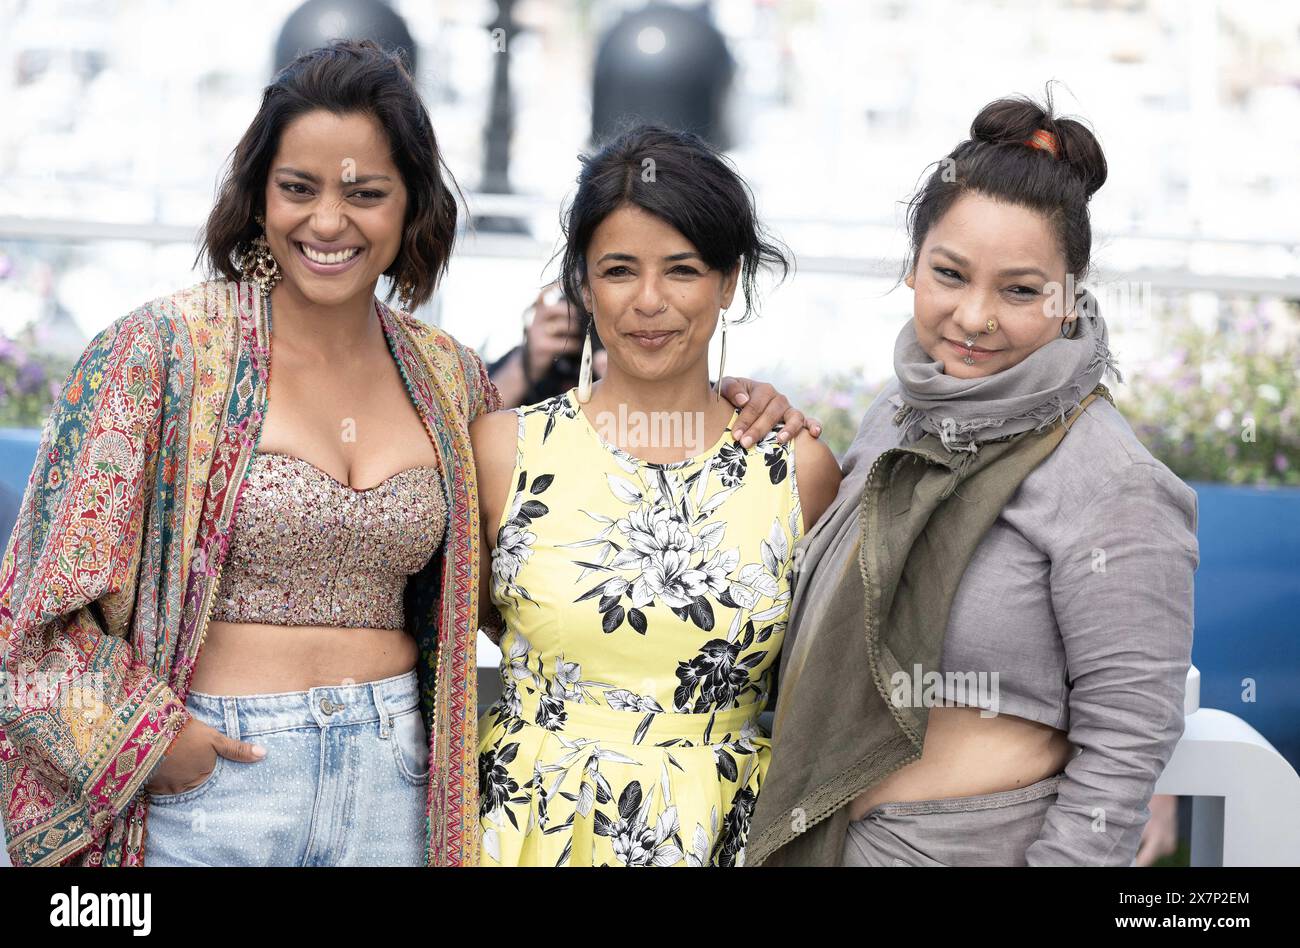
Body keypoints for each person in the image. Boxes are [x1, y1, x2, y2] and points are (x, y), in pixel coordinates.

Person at [0, 41, 805, 868]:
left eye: (366, 193)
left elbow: (558, 558)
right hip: (214, 786)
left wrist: (727, 409)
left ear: (410, 205)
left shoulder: (448, 379)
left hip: (396, 789)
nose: (327, 221)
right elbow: (29, 615)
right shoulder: (161, 357)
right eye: (297, 189)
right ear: (257, 197)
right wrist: (155, 743)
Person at [745, 94, 1198, 867]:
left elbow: (1127, 742)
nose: (975, 317)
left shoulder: (1113, 481)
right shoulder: (901, 413)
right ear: (913, 265)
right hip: (819, 841)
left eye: (1021, 291)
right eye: (949, 274)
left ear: (1068, 297)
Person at [470, 126, 842, 866]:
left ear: (728, 280)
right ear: (582, 280)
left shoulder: (796, 469)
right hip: (525, 829)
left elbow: (818, 690)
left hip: (718, 834)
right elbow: (469, 626)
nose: (649, 302)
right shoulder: (503, 451)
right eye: (618, 270)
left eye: (682, 270)